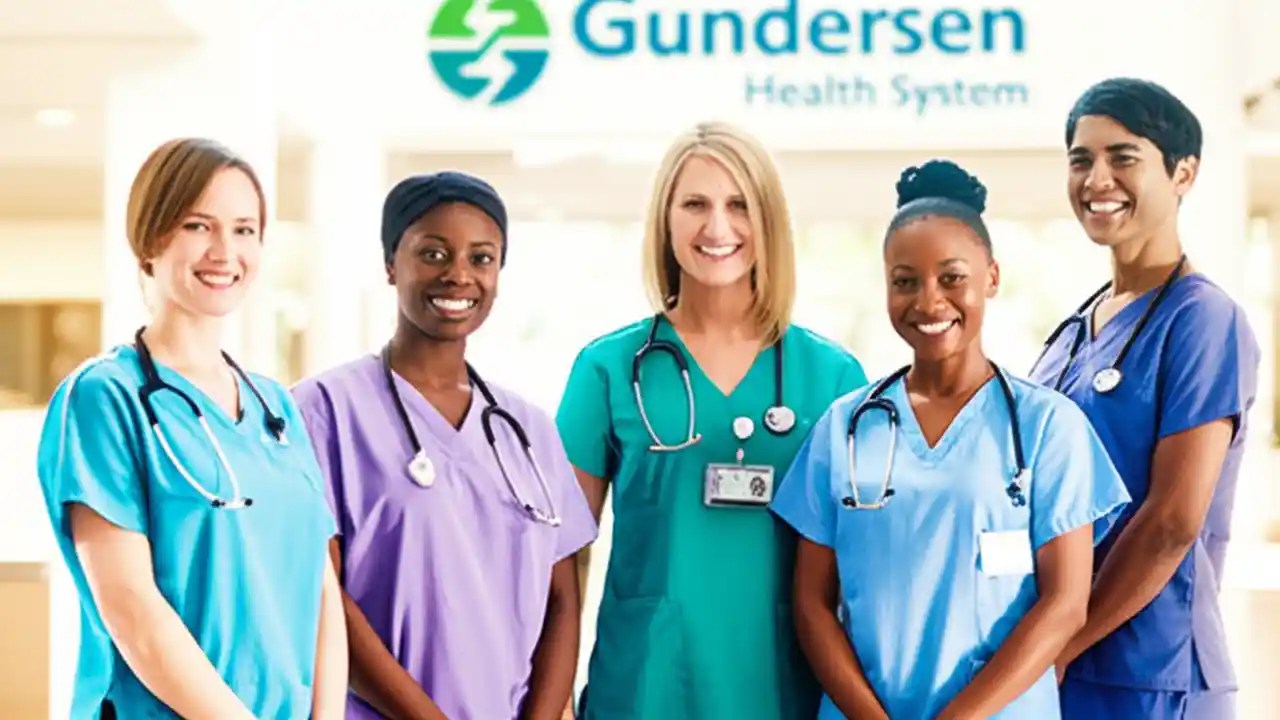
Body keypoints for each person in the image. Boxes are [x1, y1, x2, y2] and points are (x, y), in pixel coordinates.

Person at [770, 159, 1133, 719]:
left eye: (952, 277)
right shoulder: (844, 427)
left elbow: (1065, 604)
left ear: (991, 276)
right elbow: (812, 605)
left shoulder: (1047, 428)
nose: (929, 301)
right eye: (905, 281)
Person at [555, 121, 869, 719]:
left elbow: (865, 567)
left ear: (768, 220)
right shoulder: (608, 368)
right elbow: (564, 557)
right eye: (695, 204)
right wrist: (556, 700)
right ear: (665, 219)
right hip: (646, 688)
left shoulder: (832, 377)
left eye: (738, 205)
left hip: (785, 691)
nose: (717, 227)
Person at [34, 137, 347, 719]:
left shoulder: (275, 407)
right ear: (151, 238)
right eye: (198, 226)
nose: (224, 251)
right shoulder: (105, 397)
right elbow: (132, 612)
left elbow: (320, 586)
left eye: (245, 229)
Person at [291, 170, 598, 720]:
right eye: (433, 254)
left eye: (481, 258)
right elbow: (321, 601)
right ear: (391, 264)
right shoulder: (321, 411)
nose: (458, 275)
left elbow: (561, 600)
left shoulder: (527, 429)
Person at [1030, 77, 1261, 719]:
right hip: (1064, 663)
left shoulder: (1203, 319)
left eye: (1123, 157)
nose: (1096, 178)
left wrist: (1062, 644)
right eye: (1081, 160)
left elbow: (1172, 522)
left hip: (1152, 674)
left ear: (1183, 173)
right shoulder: (1075, 330)